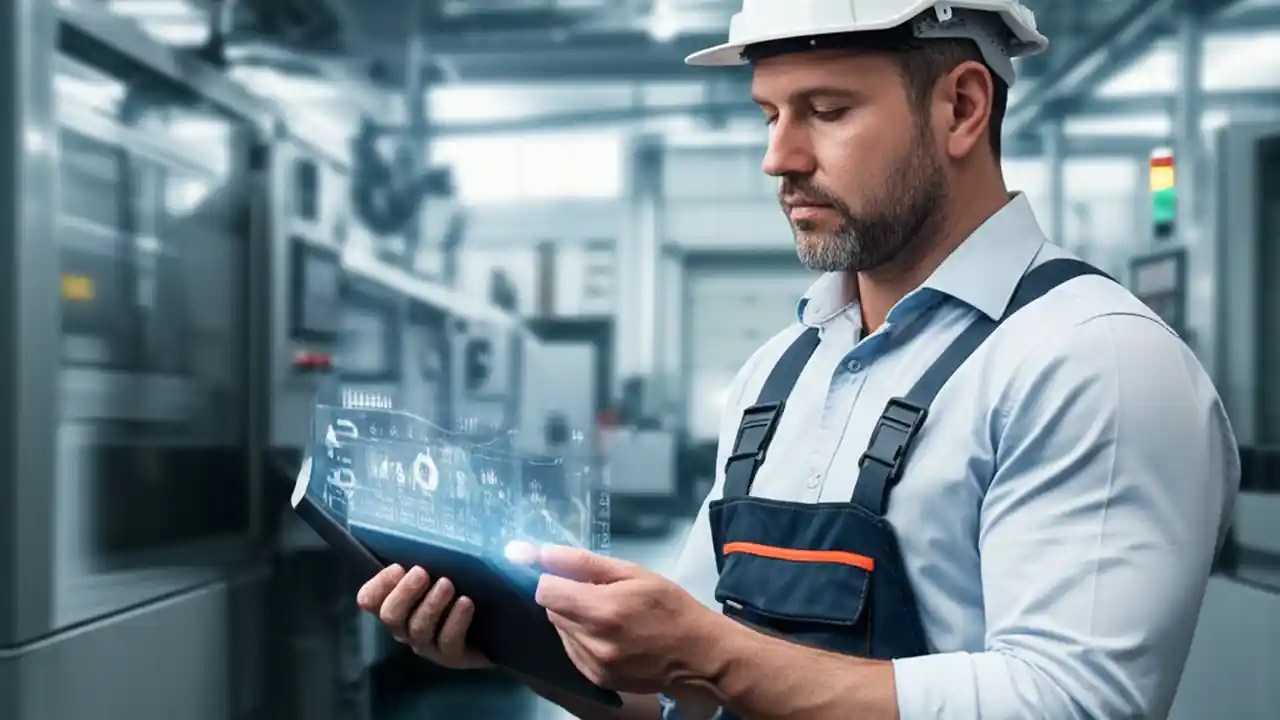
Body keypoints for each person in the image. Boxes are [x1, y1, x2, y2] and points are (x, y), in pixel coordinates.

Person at [355, 1, 1241, 718]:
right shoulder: (781, 374)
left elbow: (1074, 704)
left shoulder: (1091, 361)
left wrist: (711, 651)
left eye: (827, 110)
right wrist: (523, 643)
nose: (779, 157)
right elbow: (683, 698)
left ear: (962, 108)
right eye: (771, 115)